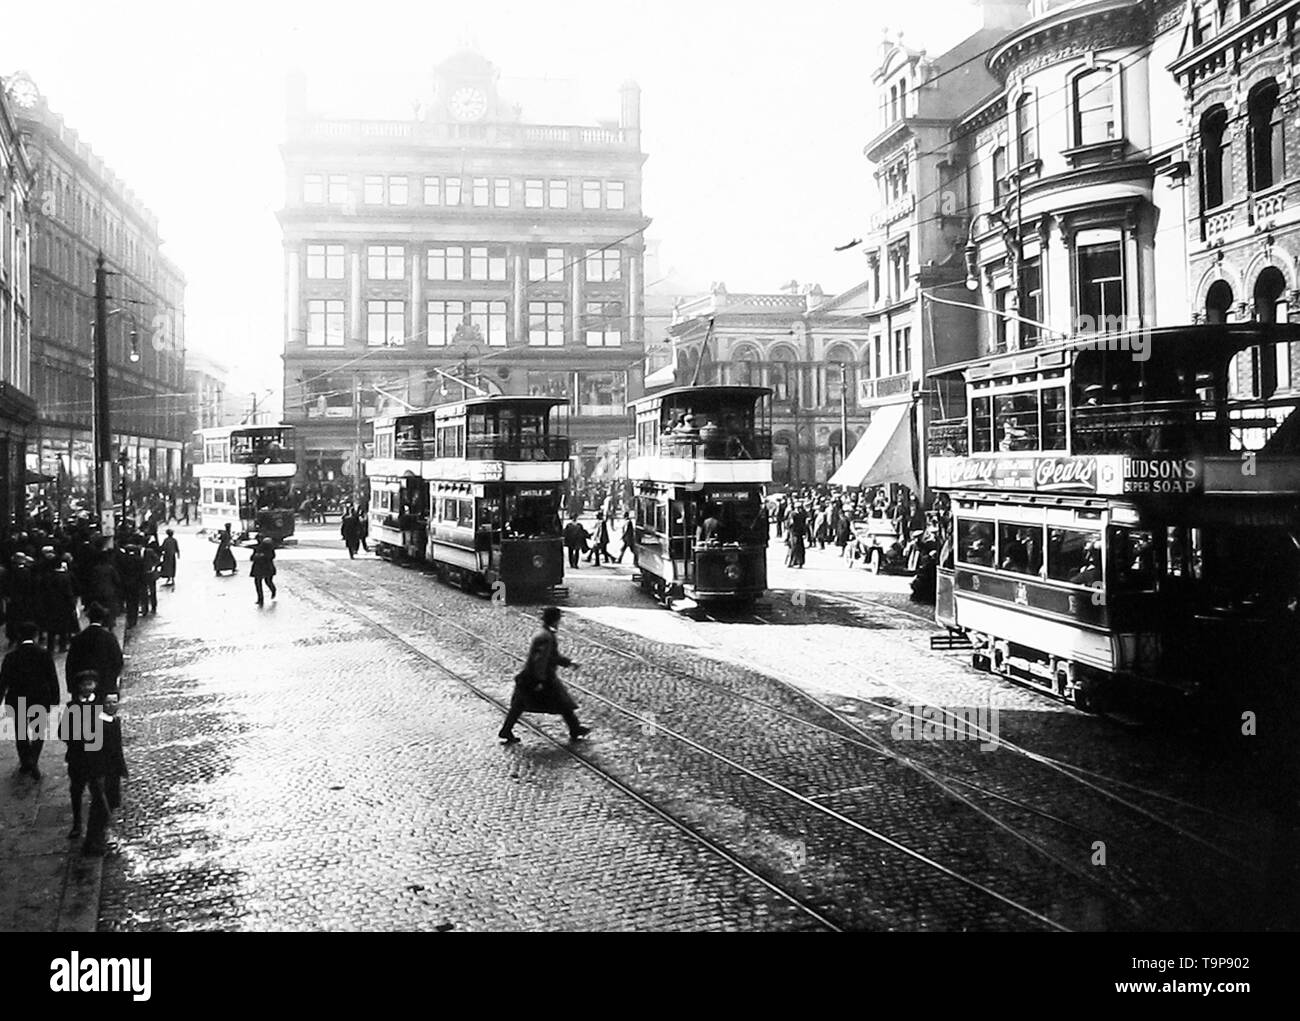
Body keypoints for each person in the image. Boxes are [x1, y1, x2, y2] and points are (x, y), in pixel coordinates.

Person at [497, 606, 590, 744]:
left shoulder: (544, 633)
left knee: (519, 704)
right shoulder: (546, 637)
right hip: (542, 677)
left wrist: (569, 662)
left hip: (532, 675)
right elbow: (541, 660)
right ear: (555, 620)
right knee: (563, 702)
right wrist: (539, 680)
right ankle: (575, 729)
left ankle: (506, 730)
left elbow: (551, 657)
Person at [63, 670, 128, 856]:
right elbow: (63, 732)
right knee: (76, 789)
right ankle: (78, 824)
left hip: (97, 762)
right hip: (78, 759)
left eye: (91, 684)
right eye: (84, 684)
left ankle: (96, 838)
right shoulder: (72, 707)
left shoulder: (101, 708)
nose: (87, 687)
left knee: (100, 798)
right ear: (78, 687)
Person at [0, 621, 61, 779]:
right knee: (39, 732)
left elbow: (3, 681)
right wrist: (55, 697)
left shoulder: (11, 657)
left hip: (17, 699)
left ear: (20, 636)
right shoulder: (44, 654)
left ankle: (25, 761)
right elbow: (52, 677)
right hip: (39, 698)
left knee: (21, 732)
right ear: (35, 635)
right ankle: (34, 758)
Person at [66, 602, 125, 700]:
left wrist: (72, 687)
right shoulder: (109, 637)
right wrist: (112, 681)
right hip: (105, 685)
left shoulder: (78, 639)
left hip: (83, 687)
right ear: (102, 619)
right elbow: (118, 661)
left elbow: (70, 665)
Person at [251, 537, 277, 606]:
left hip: (266, 568)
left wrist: (261, 556)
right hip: (259, 568)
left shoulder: (270, 550)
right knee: (258, 583)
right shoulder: (257, 548)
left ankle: (273, 590)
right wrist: (257, 556)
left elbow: (271, 557)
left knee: (267, 581)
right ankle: (260, 599)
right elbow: (252, 558)